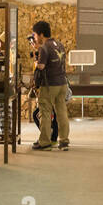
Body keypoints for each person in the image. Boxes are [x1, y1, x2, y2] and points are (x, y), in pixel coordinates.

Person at [31, 20, 69, 151]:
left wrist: (37, 57)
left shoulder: (44, 47)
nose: (34, 38)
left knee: (45, 112)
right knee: (62, 112)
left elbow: (41, 66)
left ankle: (45, 142)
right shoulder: (59, 44)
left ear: (41, 34)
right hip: (62, 83)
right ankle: (64, 141)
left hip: (49, 85)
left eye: (35, 35)